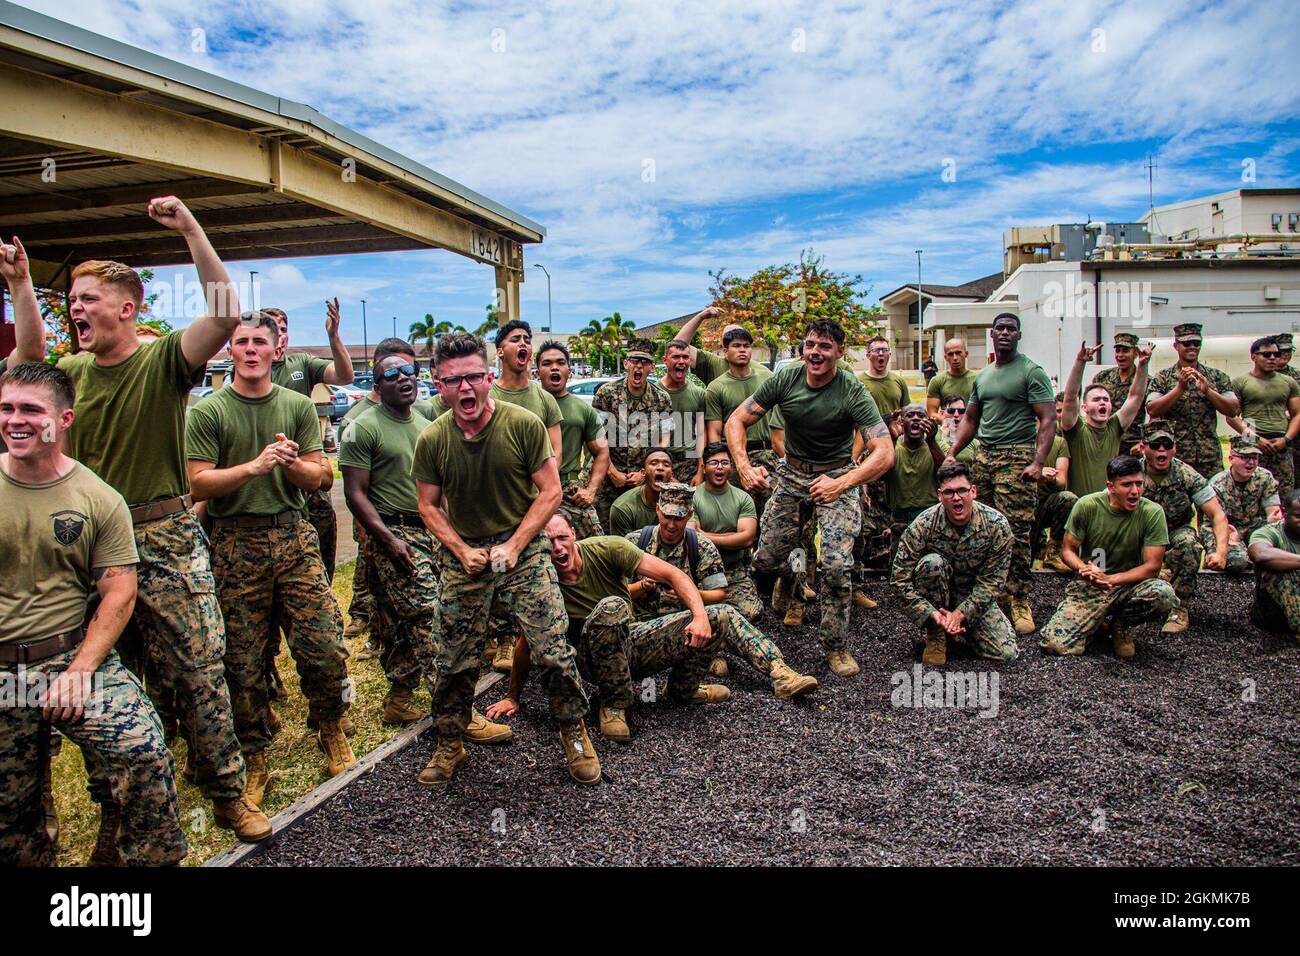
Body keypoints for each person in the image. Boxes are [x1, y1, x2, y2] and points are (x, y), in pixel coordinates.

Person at [3, 199, 267, 843]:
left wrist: (189, 230)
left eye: (89, 298)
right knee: (100, 673)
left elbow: (225, 312)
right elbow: (28, 358)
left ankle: (229, 794)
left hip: (164, 537)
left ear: (128, 308)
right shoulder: (68, 374)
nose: (77, 308)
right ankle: (113, 809)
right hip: (86, 545)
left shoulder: (163, 361)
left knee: (198, 671)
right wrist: (16, 286)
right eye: (71, 299)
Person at [0, 362, 187, 866]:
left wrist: (80, 670)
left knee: (144, 749)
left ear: (63, 420)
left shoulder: (98, 498)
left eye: (30, 410)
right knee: (11, 813)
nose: (16, 420)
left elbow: (119, 594)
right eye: (7, 408)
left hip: (68, 655)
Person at [411, 333, 598, 787]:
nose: (467, 389)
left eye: (474, 377)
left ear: (489, 377)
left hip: (524, 550)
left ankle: (574, 734)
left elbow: (551, 491)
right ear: (439, 385)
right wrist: (460, 550)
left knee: (553, 651)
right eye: (454, 381)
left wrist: (515, 545)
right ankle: (450, 742)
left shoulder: (522, 425)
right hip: (466, 554)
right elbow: (428, 506)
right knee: (453, 659)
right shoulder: (433, 439)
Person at [186, 313, 355, 803]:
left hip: (293, 536)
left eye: (261, 341)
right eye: (242, 342)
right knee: (242, 657)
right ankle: (254, 752)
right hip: (235, 543)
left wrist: (292, 464)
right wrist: (253, 467)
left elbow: (322, 476)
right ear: (230, 352)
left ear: (276, 349)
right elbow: (197, 482)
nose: (252, 350)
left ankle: (329, 726)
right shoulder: (210, 411)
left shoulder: (298, 405)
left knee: (323, 644)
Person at [729, 319, 894, 677]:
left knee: (836, 565)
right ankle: (789, 577)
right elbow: (736, 421)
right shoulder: (786, 378)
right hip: (791, 473)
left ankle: (835, 646)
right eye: (809, 345)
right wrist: (744, 467)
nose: (815, 352)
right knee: (767, 558)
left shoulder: (851, 390)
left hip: (835, 474)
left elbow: (884, 451)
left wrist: (845, 483)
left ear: (839, 352)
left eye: (824, 346)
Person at [626, 484, 817, 694]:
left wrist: (690, 596)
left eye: (679, 518)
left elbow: (719, 595)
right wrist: (642, 586)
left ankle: (781, 672)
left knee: (725, 613)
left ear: (689, 515)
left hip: (686, 625)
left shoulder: (701, 547)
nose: (671, 525)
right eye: (667, 517)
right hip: (642, 632)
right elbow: (613, 595)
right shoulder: (634, 544)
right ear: (658, 510)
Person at [943, 312, 1056, 636]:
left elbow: (1047, 419)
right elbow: (971, 419)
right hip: (985, 457)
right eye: (1000, 329)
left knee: (1017, 530)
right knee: (980, 527)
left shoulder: (1031, 372)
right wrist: (952, 452)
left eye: (1011, 329)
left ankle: (1019, 597)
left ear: (1018, 335)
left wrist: (1037, 461)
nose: (1005, 333)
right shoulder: (984, 376)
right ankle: (985, 593)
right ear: (992, 334)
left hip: (1017, 456)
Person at [339, 338, 436, 653]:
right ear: (378, 386)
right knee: (430, 618)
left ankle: (399, 696)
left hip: (428, 529)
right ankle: (448, 699)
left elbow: (436, 484)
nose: (404, 378)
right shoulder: (361, 426)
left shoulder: (424, 424)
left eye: (409, 371)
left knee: (398, 627)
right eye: (392, 375)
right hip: (394, 533)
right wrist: (388, 540)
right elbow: (354, 494)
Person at [1038, 455, 1179, 658]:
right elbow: (1067, 550)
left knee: (1163, 594)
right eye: (1126, 485)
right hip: (1092, 585)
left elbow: (1152, 567)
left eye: (1139, 484)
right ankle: (1098, 622)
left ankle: (1119, 625)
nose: (1135, 491)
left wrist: (1111, 579)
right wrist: (1083, 568)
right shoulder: (1087, 506)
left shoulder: (1152, 513)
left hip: (1131, 584)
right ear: (1111, 487)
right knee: (1054, 645)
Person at [890, 461, 1018, 665]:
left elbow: (992, 582)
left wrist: (961, 614)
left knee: (1006, 654)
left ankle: (963, 630)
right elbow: (899, 580)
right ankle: (937, 636)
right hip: (936, 599)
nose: (956, 498)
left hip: (973, 597)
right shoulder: (923, 525)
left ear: (973, 491)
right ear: (940, 495)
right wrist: (930, 613)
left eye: (961, 490)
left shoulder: (997, 526)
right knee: (932, 564)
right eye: (949, 492)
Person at [266, 300, 355, 581]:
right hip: (269, 470)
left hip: (307, 468)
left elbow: (344, 375)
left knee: (319, 546)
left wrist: (333, 337)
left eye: (283, 328)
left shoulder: (301, 363)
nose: (279, 334)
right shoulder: (249, 367)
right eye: (271, 328)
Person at [1140, 420, 1230, 633]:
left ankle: (1179, 609)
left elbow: (1217, 515)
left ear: (1174, 448)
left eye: (1167, 444)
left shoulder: (1186, 475)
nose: (1162, 450)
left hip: (1175, 531)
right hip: (1140, 534)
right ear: (1144, 448)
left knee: (1188, 544)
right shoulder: (1131, 473)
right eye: (1155, 445)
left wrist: (1221, 553)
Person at [592, 337, 673, 532]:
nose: (639, 366)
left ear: (652, 367)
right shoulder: (607, 393)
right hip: (608, 474)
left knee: (642, 532)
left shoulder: (661, 399)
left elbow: (664, 438)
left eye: (644, 362)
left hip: (643, 478)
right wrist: (612, 472)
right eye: (635, 361)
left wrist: (645, 473)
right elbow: (596, 437)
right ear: (626, 364)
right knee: (603, 532)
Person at [1146, 322, 1239, 479]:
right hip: (1176, 456)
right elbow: (1153, 409)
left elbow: (1233, 409)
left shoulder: (1216, 376)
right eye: (1186, 343)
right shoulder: (1163, 378)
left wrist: (1208, 391)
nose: (1192, 347)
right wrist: (1179, 389)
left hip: (1209, 456)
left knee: (1212, 501)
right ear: (1176, 346)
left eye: (1196, 343)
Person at [537, 340, 610, 538]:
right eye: (547, 363)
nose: (554, 367)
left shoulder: (582, 409)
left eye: (560, 363)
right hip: (530, 491)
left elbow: (602, 450)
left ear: (569, 370)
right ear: (537, 372)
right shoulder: (527, 404)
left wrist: (591, 490)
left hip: (569, 491)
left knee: (598, 547)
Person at [1059, 340, 1151, 497]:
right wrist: (1080, 362)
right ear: (1084, 408)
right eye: (1096, 400)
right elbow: (1070, 397)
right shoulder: (1075, 428)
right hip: (1079, 508)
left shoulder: (1114, 427)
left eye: (1106, 400)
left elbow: (1135, 397)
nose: (1102, 402)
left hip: (1109, 506)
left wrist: (1142, 365)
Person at [704, 326, 779, 519]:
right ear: (725, 352)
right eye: (736, 346)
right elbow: (714, 431)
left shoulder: (768, 379)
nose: (742, 350)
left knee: (773, 505)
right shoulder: (716, 387)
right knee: (735, 514)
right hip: (733, 459)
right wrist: (717, 463)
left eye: (746, 346)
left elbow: (780, 421)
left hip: (767, 457)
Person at [692, 442, 761, 622]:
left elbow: (747, 538)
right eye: (714, 463)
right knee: (696, 614)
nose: (720, 467)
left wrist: (705, 535)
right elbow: (692, 538)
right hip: (703, 572)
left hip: (734, 570)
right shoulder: (692, 497)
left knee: (751, 614)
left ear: (731, 467)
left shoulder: (743, 498)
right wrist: (732, 537)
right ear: (703, 468)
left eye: (724, 462)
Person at [1229, 335, 1300, 499]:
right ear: (1253, 356)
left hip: (1281, 445)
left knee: (1285, 495)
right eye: (1267, 354)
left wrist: (1286, 439)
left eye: (1276, 354)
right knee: (1252, 493)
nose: (1273, 358)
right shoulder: (1241, 382)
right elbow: (1232, 417)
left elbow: (1297, 414)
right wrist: (1255, 439)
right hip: (1252, 447)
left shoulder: (1288, 382)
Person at [1204, 435, 1282, 573]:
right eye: (1244, 457)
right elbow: (1215, 523)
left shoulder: (1264, 477)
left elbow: (1273, 514)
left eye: (1254, 458)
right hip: (1223, 531)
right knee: (1236, 562)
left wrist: (1272, 521)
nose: (1250, 463)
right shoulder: (1216, 485)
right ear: (1231, 459)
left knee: (1277, 554)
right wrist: (1230, 539)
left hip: (1255, 528)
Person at [885, 404, 946, 554]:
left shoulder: (936, 445)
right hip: (900, 520)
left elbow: (946, 474)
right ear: (902, 421)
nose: (916, 418)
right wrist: (891, 439)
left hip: (929, 517)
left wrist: (931, 441)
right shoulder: (895, 447)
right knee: (899, 566)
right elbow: (882, 474)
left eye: (921, 415)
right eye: (910, 415)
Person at [1246, 490, 1300, 641]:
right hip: (1275, 612)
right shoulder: (1270, 532)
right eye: (1298, 516)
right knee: (1278, 568)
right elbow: (1260, 554)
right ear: (1284, 513)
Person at [1088, 332, 1148, 452]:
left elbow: (1154, 414)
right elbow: (1091, 409)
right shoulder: (1102, 377)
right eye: (1118, 351)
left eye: (1125, 351)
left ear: (1136, 353)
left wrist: (1144, 442)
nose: (1120, 355)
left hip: (1132, 444)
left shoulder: (1145, 380)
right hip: (1105, 441)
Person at [659, 338, 707, 483]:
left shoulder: (699, 394)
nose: (681, 361)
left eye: (685, 357)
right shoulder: (654, 393)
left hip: (690, 464)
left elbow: (701, 433)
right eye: (676, 357)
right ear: (665, 360)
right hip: (662, 462)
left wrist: (700, 471)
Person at [609, 447, 675, 537]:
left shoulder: (682, 501)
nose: (660, 468)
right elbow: (621, 548)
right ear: (643, 473)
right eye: (654, 463)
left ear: (671, 474)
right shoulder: (623, 507)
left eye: (666, 465)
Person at [672, 304, 729, 384]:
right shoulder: (714, 363)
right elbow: (677, 347)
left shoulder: (753, 367)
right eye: (730, 337)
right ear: (724, 347)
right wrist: (700, 317)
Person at [925, 337, 977, 418]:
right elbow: (932, 413)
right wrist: (949, 423)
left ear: (966, 354)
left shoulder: (978, 379)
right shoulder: (937, 381)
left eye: (958, 353)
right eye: (950, 354)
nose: (955, 358)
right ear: (945, 357)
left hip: (973, 428)